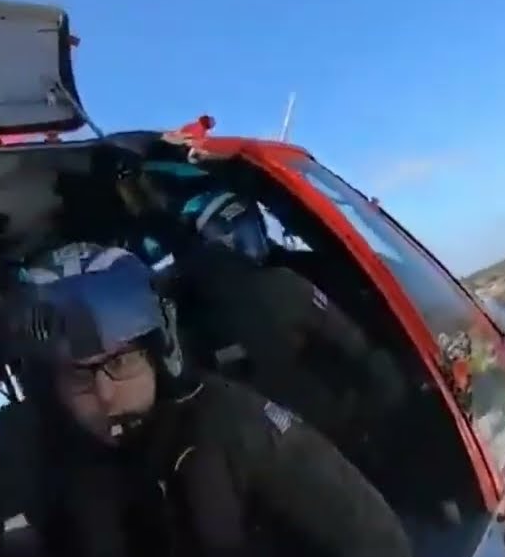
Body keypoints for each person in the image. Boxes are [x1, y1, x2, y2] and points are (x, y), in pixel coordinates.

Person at [0, 242, 418, 557]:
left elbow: (368, 535)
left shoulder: (226, 419)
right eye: (77, 378)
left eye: (119, 363)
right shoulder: (14, 443)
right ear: (46, 386)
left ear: (158, 353)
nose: (103, 394)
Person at [126, 185, 409, 459]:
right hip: (339, 447)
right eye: (250, 229)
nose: (260, 240)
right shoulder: (283, 286)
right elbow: (363, 355)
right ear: (229, 238)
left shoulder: (170, 319)